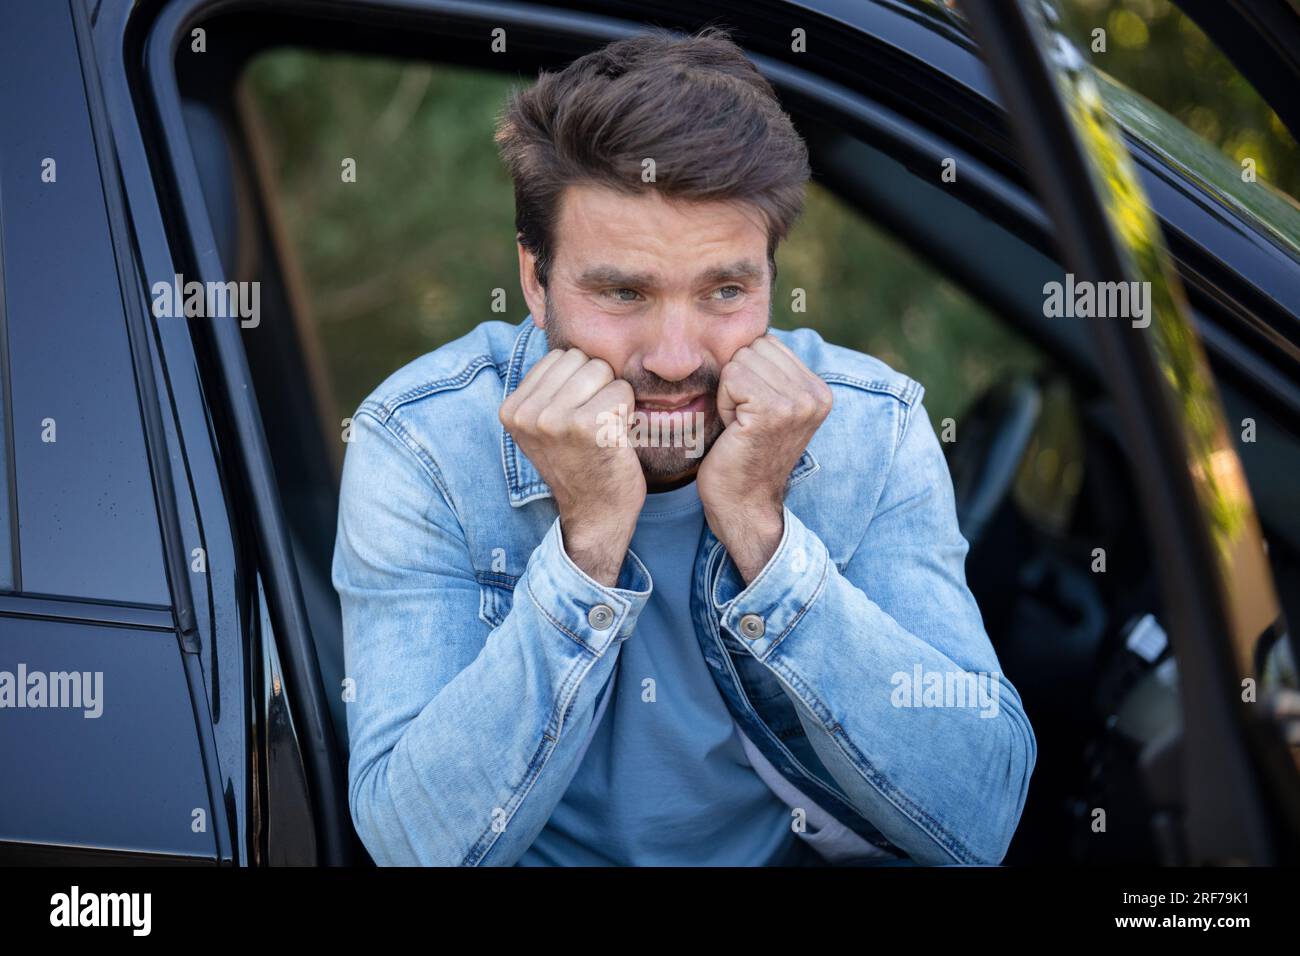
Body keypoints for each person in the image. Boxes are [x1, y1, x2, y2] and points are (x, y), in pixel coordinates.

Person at [332, 27, 1036, 866]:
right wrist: (586, 547)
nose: (675, 357)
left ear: (771, 278)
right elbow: (414, 849)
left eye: (725, 291)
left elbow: (979, 816)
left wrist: (763, 536)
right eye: (623, 292)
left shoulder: (870, 428)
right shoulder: (423, 442)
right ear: (534, 278)